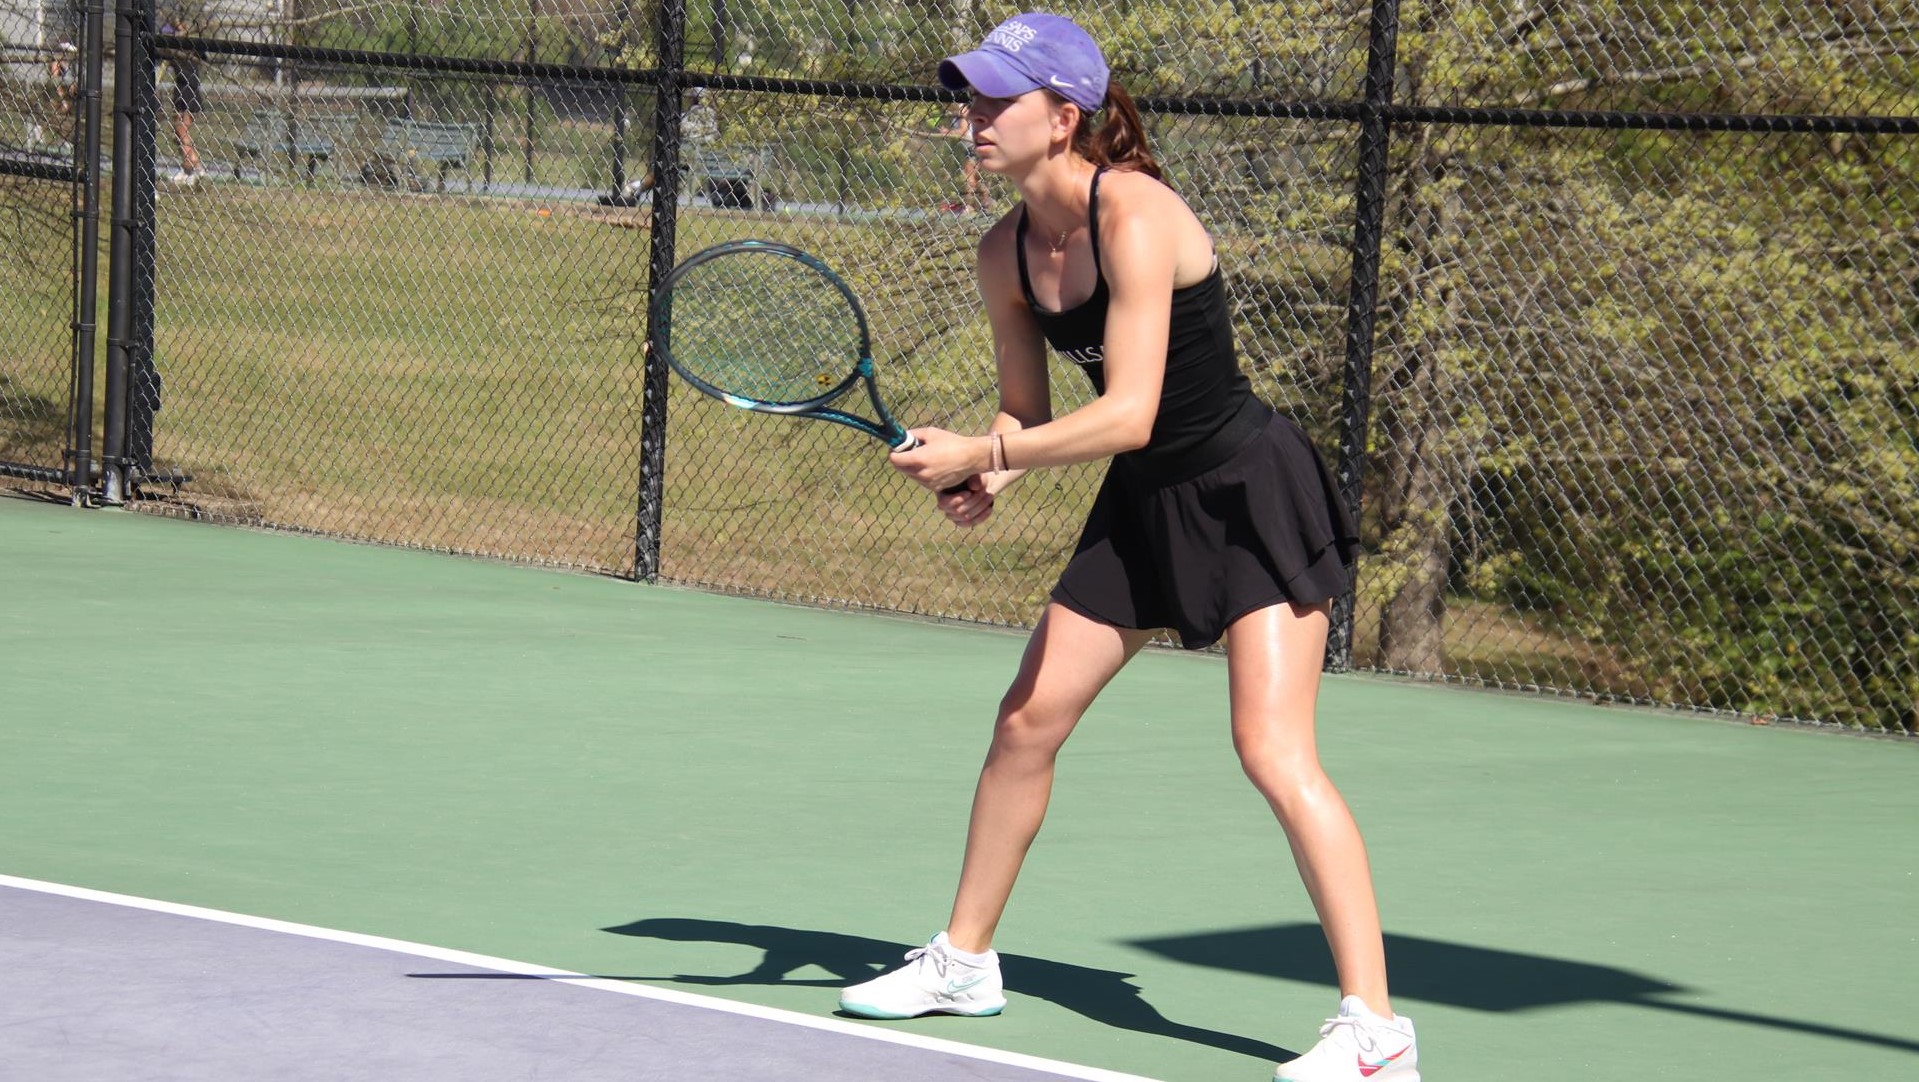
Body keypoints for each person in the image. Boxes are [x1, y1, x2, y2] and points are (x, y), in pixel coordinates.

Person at [844, 14, 1419, 1082]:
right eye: (965, 98)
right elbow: (1028, 413)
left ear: (1062, 119)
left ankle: (1375, 1030)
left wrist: (992, 443)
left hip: (1249, 492)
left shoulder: (1138, 215)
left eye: (990, 100)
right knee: (1026, 718)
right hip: (1142, 504)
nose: (967, 118)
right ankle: (963, 960)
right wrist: (984, 472)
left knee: (1271, 749)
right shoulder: (1003, 250)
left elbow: (1131, 410)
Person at [156, 18, 204, 185]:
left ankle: (193, 168)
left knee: (182, 131)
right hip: (181, 91)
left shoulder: (189, 47)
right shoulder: (175, 47)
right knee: (178, 132)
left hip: (189, 92)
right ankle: (189, 168)